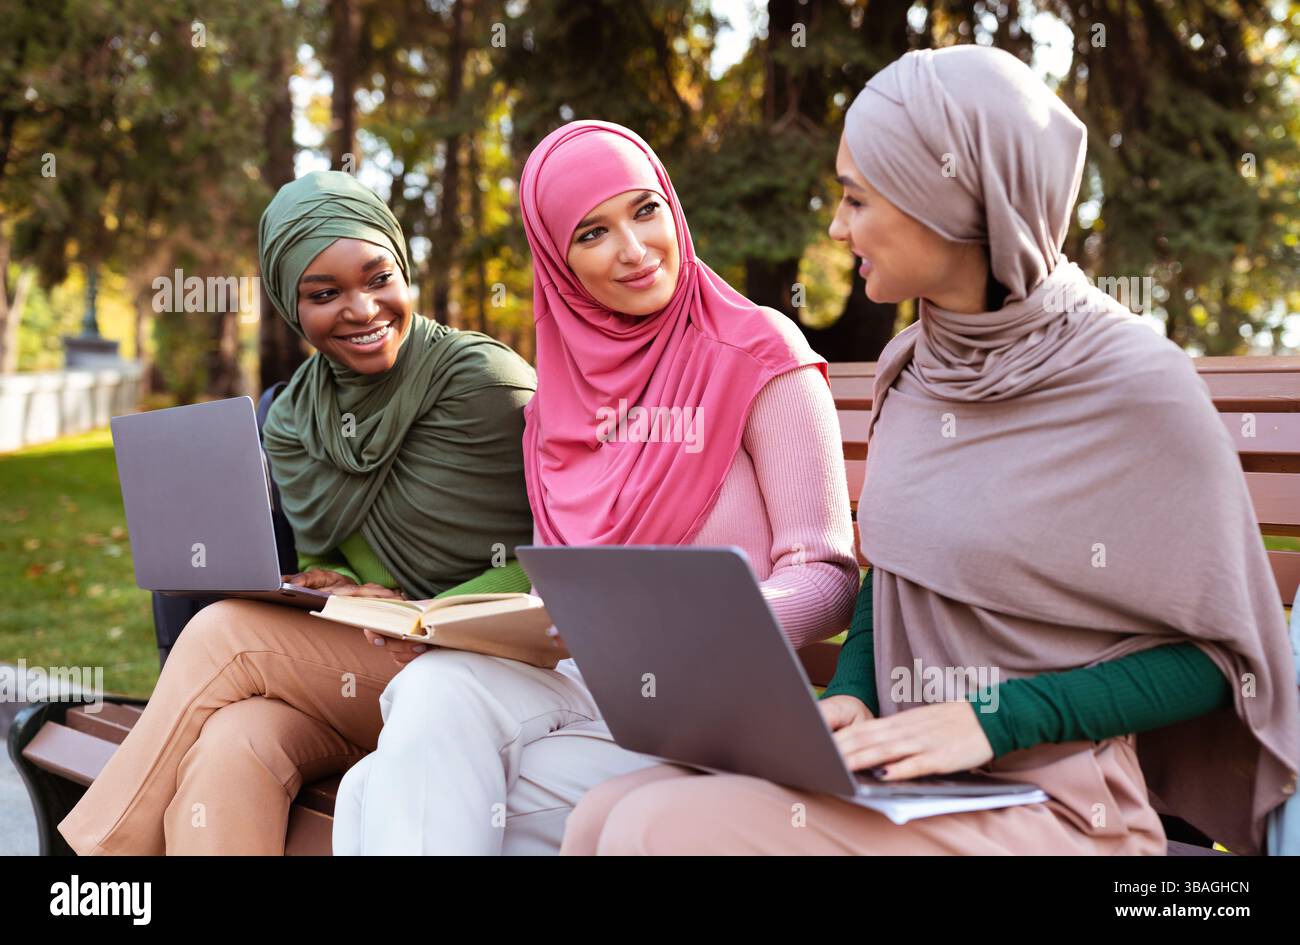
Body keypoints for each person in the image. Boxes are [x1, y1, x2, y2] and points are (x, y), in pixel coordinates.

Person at [560, 46, 1300, 856]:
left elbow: (1221, 660)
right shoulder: (911, 368)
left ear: (947, 199)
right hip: (902, 771)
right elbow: (896, 573)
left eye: (856, 199)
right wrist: (852, 693)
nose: (837, 227)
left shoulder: (1135, 384)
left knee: (654, 828)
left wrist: (992, 720)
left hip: (1056, 800)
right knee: (604, 811)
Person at [330, 120, 860, 855]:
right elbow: (570, 592)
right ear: (559, 260)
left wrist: (710, 618)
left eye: (646, 210)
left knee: (376, 789)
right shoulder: (557, 405)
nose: (635, 249)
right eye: (592, 233)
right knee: (434, 690)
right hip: (591, 688)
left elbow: (829, 577)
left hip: (722, 704)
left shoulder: (759, 351)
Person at [57, 171, 537, 854]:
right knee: (233, 744)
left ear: (405, 269)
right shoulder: (294, 417)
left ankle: (98, 857)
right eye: (324, 293)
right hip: (365, 673)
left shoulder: (485, 385)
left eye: (379, 278)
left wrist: (435, 616)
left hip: (486, 674)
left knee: (224, 632)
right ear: (291, 304)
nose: (362, 308)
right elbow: (330, 548)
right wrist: (332, 582)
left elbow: (556, 552)